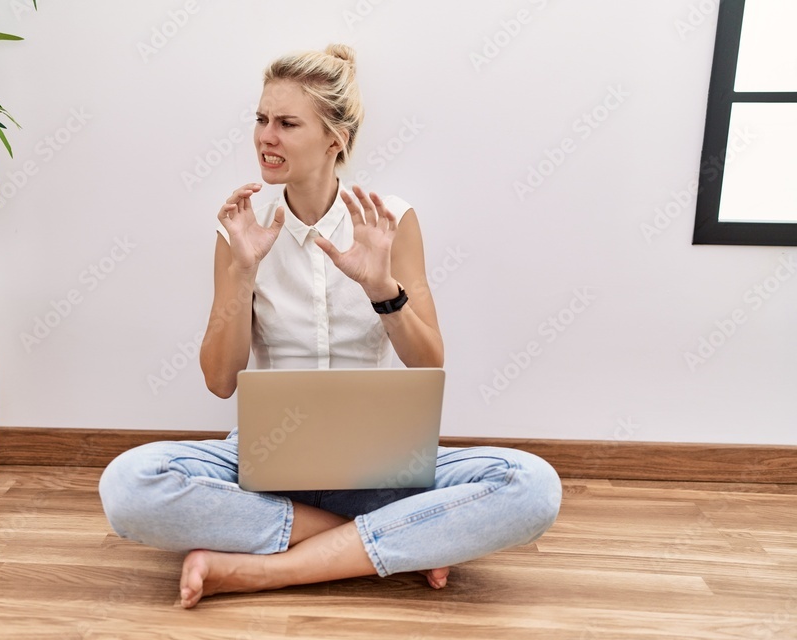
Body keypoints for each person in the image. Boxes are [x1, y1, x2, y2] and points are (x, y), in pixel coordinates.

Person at [99, 44, 561, 609]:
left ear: (334, 139)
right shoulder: (240, 232)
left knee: (532, 486)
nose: (266, 136)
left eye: (287, 123)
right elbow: (220, 380)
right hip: (265, 461)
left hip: (379, 465)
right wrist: (244, 271)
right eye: (261, 119)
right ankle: (400, 537)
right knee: (128, 485)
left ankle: (265, 570)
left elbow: (429, 362)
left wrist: (380, 290)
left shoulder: (388, 219)